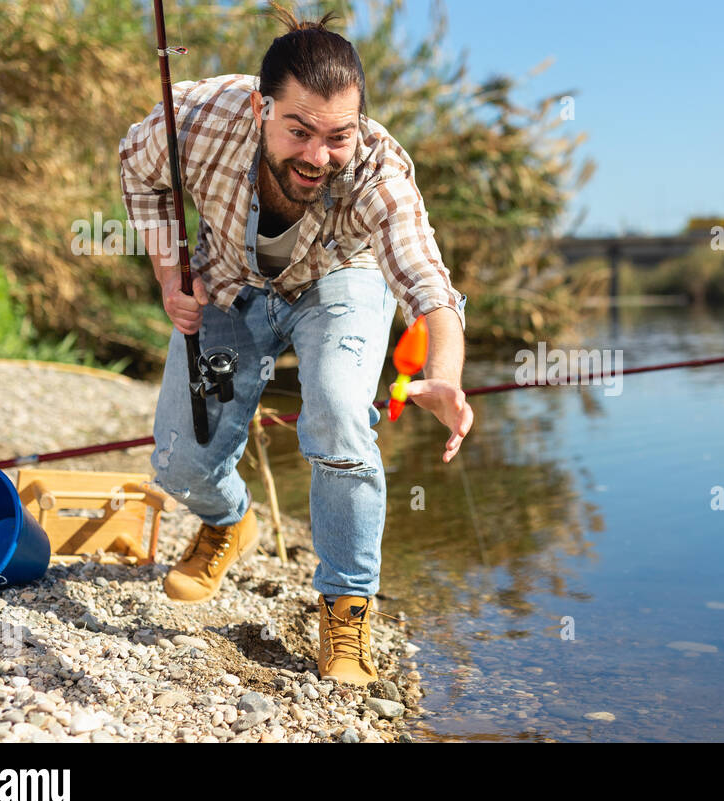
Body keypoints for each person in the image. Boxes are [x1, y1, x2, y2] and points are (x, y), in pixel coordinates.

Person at [118, 2, 473, 686]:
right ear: (260, 109)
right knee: (178, 462)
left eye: (338, 135)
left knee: (339, 412)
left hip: (339, 282)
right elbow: (138, 170)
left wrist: (445, 375)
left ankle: (345, 610)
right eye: (299, 130)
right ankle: (229, 522)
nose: (318, 156)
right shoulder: (194, 118)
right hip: (227, 285)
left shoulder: (375, 171)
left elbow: (426, 280)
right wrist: (170, 272)